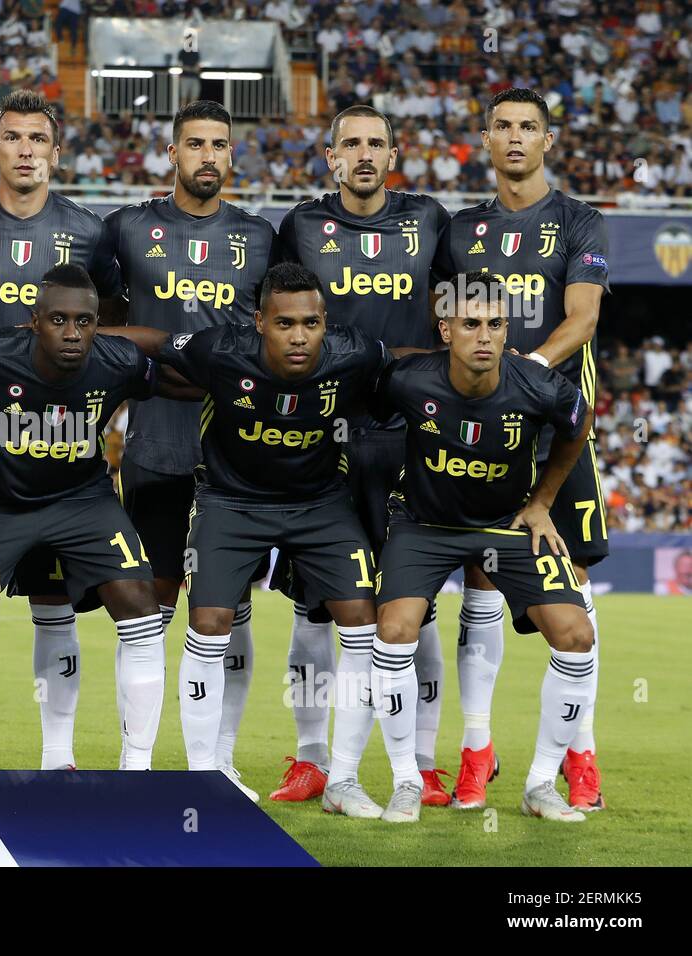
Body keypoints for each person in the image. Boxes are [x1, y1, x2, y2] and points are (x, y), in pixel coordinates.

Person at [106, 261, 412, 815]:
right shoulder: (221, 349)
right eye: (285, 323)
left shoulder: (354, 350)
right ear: (259, 322)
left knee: (364, 623)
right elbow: (154, 341)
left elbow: (406, 361)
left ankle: (341, 779)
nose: (299, 336)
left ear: (326, 323)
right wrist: (83, 333)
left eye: (312, 324)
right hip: (231, 503)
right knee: (207, 623)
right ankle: (204, 775)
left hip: (321, 506)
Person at [0, 89, 123, 771]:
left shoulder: (91, 233)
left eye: (39, 139)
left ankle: (59, 757)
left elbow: (111, 327)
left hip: (59, 446)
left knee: (54, 602)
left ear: (57, 152)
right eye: (13, 138)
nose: (27, 150)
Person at [273, 104, 453, 805]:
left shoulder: (430, 219)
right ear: (330, 156)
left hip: (408, 436)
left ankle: (428, 763)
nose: (365, 154)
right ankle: (312, 758)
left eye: (377, 142)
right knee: (312, 605)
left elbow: (475, 290)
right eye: (352, 143)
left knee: (417, 604)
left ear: (396, 152)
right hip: (322, 438)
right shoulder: (301, 225)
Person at [437, 88, 611, 811]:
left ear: (549, 139)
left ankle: (579, 754)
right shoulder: (459, 229)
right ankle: (477, 750)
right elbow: (442, 323)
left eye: (528, 128)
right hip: (480, 431)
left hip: (556, 433)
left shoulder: (579, 220)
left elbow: (583, 318)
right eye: (502, 127)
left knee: (575, 594)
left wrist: (521, 376)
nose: (515, 138)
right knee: (480, 581)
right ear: (485, 138)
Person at [371, 271, 596, 824]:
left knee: (577, 635)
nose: (484, 336)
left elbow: (578, 426)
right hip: (423, 526)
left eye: (496, 324)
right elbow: (363, 417)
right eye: (470, 324)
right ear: (445, 329)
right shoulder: (407, 380)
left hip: (503, 525)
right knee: (395, 629)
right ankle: (405, 780)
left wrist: (542, 500)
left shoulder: (539, 386)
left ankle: (541, 784)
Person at [102, 100, 278, 792]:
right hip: (155, 446)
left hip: (238, 453)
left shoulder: (261, 237)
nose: (208, 155)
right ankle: (136, 766)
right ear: (170, 153)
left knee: (230, 612)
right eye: (195, 144)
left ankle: (220, 757)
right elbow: (100, 320)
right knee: (150, 607)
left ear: (232, 157)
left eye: (220, 145)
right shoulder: (126, 228)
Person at [0, 265, 166, 770]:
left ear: (98, 324)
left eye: (85, 321)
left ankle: (138, 768)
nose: (72, 333)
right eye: (58, 319)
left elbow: (181, 378)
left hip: (84, 502)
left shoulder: (119, 360)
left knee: (142, 611)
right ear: (32, 322)